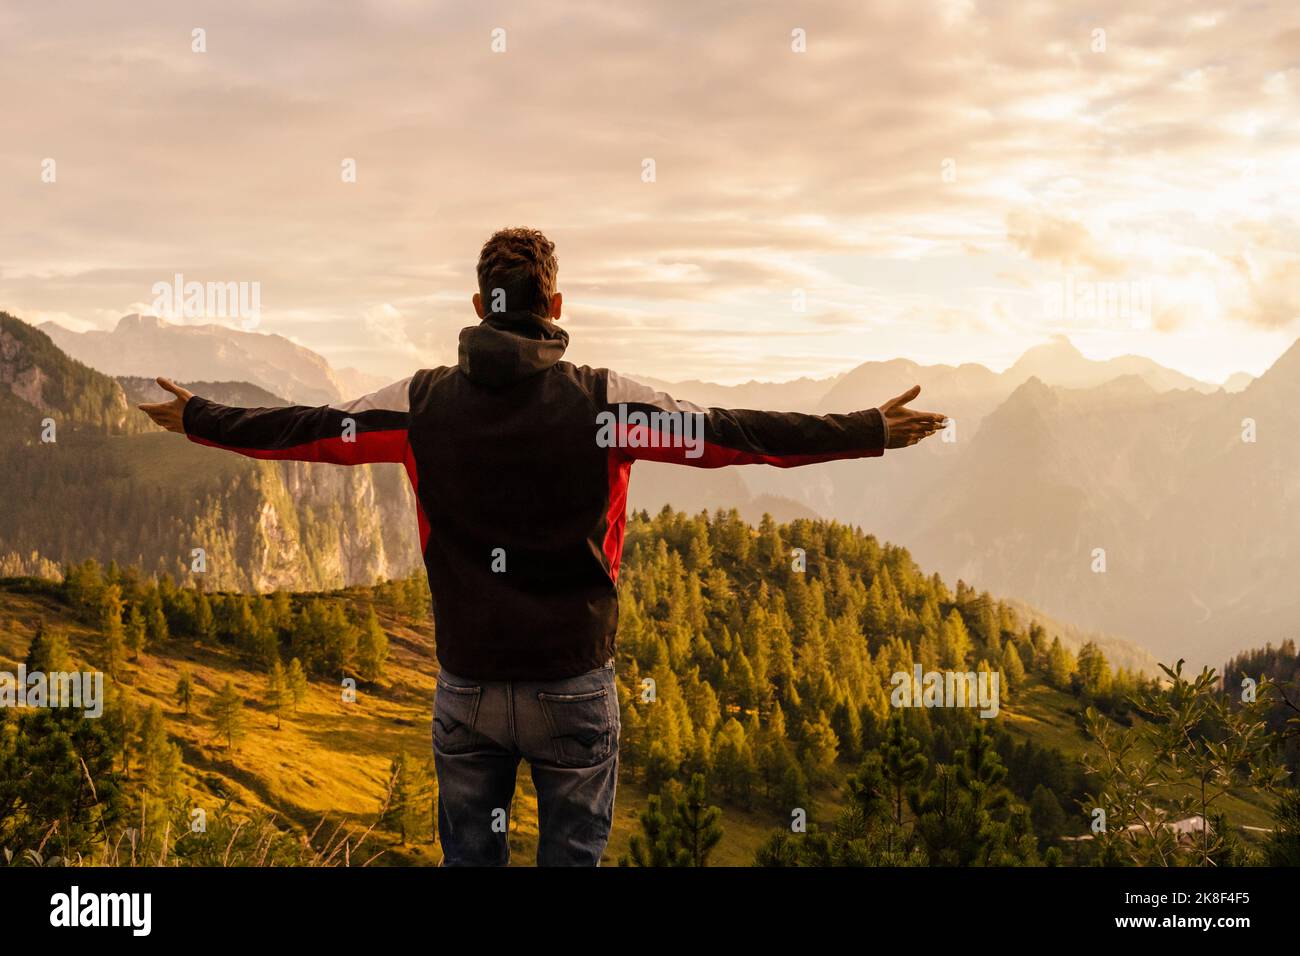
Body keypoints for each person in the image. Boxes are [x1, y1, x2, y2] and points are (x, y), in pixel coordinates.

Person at [138, 226, 947, 866]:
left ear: (479, 305)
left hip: (468, 688)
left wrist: (200, 416)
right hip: (572, 686)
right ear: (555, 305)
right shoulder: (607, 404)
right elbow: (728, 434)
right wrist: (865, 430)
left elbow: (311, 429)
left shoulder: (420, 403)